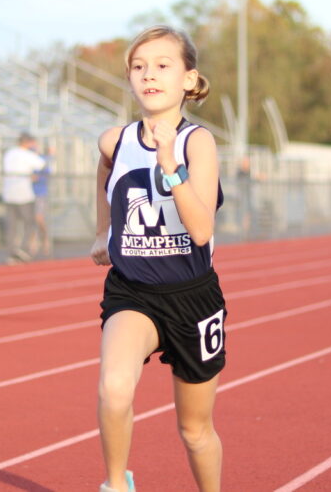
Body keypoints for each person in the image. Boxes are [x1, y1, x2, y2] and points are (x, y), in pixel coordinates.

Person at [91, 25, 225, 492]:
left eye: (162, 65)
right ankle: (116, 485)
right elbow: (104, 170)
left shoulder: (197, 143)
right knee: (114, 387)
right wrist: (103, 230)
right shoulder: (115, 140)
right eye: (138, 66)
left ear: (188, 79)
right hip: (134, 291)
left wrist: (170, 164)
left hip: (192, 297)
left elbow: (201, 229)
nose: (149, 74)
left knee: (194, 429)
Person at [2, 132, 46, 262]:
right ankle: (23, 250)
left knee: (12, 225)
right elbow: (41, 164)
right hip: (24, 195)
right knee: (29, 223)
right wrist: (36, 151)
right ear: (28, 143)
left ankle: (12, 252)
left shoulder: (9, 153)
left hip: (9, 194)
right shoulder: (27, 154)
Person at [30, 142, 54, 258]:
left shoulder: (42, 161)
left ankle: (44, 240)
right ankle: (35, 242)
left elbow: (46, 174)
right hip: (29, 194)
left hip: (40, 194)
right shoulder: (29, 161)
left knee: (39, 218)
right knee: (32, 220)